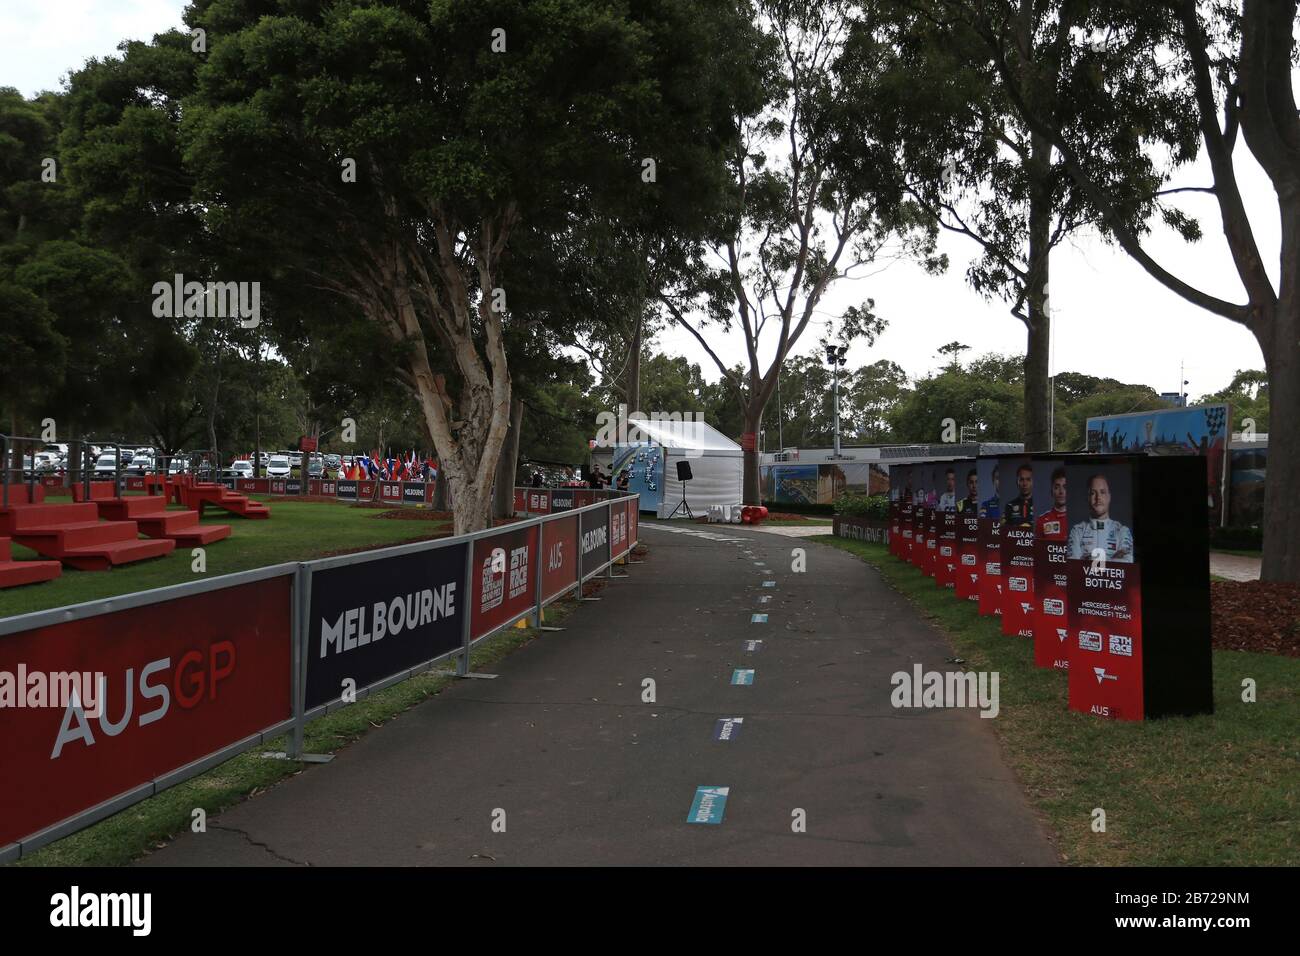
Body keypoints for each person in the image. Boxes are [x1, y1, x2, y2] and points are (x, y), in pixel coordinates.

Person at [1067, 474, 1134, 563]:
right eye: (1093, 493)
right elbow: (1073, 565)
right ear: (1087, 498)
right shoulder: (1077, 531)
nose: (1098, 498)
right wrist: (1112, 558)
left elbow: (1127, 563)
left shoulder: (1122, 531)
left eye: (1102, 492)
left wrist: (1088, 559)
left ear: (1109, 497)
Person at [1034, 467, 1068, 540]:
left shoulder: (1078, 521)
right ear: (1051, 491)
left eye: (1065, 487)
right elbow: (1038, 550)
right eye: (1056, 487)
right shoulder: (1041, 520)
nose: (1061, 491)